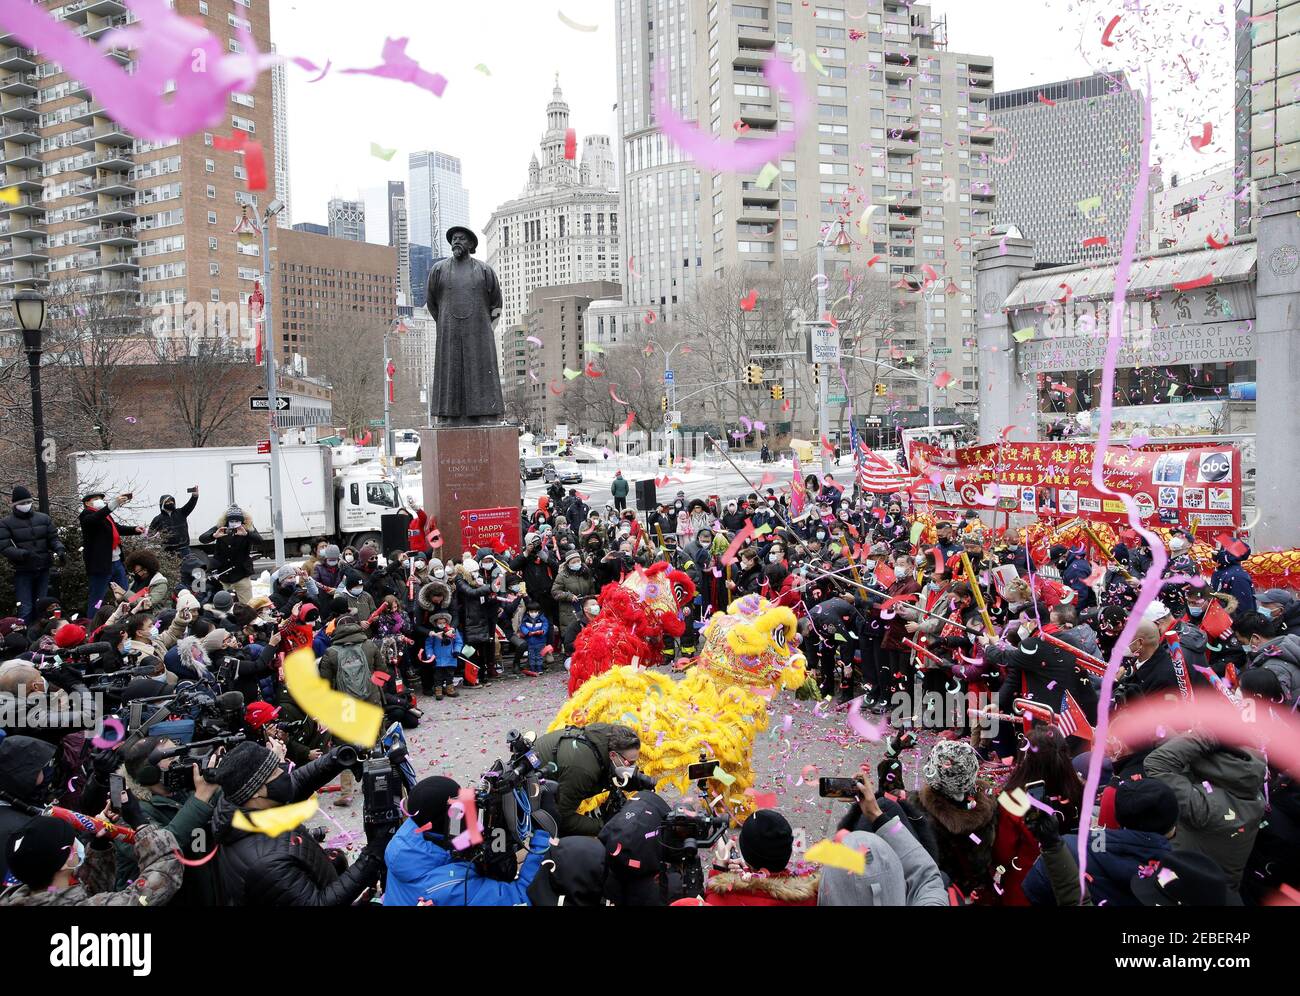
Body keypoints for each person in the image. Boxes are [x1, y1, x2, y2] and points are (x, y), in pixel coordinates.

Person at [210, 742, 389, 905]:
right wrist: (372, 856)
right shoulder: (264, 863)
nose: (283, 774)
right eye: (274, 773)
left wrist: (338, 757)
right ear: (255, 792)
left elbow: (299, 780)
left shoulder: (247, 806)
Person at [383, 776, 552, 906]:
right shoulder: (452, 886)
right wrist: (544, 833)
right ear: (452, 821)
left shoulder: (409, 834)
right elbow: (523, 896)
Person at [1143, 732, 1267, 902]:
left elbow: (1156, 763)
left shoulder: (1206, 807)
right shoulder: (1252, 793)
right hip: (1223, 894)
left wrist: (1208, 734)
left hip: (1191, 894)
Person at [1023, 778, 1179, 907]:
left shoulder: (1066, 851)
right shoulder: (1181, 876)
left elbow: (1033, 890)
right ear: (1171, 825)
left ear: (1118, 818)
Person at [0, 813, 183, 908]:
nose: (78, 844)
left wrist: (99, 849)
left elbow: (81, 896)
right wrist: (142, 826)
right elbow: (157, 884)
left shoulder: (18, 898)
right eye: (73, 843)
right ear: (64, 863)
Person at [531, 723, 643, 837]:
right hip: (530, 789)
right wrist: (604, 826)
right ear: (613, 755)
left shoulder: (605, 738)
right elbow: (563, 817)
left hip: (556, 770)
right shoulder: (584, 770)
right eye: (630, 763)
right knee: (566, 835)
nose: (631, 768)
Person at [703, 809, 819, 906]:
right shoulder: (809, 897)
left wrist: (720, 872)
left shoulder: (722, 898)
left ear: (746, 854)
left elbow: (712, 900)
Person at [0, 485, 65, 623]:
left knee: (42, 605)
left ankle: (40, 634)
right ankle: (25, 637)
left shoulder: (43, 519)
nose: (26, 505)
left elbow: (53, 538)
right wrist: (24, 554)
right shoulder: (6, 523)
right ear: (15, 505)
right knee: (26, 607)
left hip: (43, 567)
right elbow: (5, 547)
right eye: (22, 503)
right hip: (23, 570)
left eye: (28, 502)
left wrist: (59, 549)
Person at [80, 489, 143, 617]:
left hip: (116, 562)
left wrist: (134, 529)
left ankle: (128, 620)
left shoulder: (105, 516)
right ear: (87, 503)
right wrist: (113, 504)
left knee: (125, 594)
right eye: (95, 499)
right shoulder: (87, 516)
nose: (99, 501)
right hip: (101, 566)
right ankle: (92, 624)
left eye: (101, 498)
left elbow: (117, 528)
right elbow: (95, 519)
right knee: (97, 599)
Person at [199, 505, 262, 604]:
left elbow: (259, 540)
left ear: (242, 521)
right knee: (218, 604)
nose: (234, 524)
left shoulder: (248, 528)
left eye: (237, 521)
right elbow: (202, 538)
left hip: (242, 573)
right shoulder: (221, 527)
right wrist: (214, 535)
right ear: (227, 521)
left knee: (248, 605)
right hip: (222, 573)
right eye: (231, 521)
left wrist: (246, 534)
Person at [419, 611, 462, 700]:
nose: (442, 625)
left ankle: (449, 688)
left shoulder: (452, 630)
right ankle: (438, 689)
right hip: (438, 658)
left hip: (450, 657)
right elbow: (428, 645)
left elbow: (458, 641)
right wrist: (430, 656)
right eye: (439, 623)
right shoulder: (434, 633)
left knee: (450, 674)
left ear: (447, 622)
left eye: (444, 623)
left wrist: (457, 651)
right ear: (435, 623)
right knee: (438, 676)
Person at [149, 488, 199, 556]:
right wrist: (156, 541)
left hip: (185, 549)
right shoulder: (158, 519)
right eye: (168, 502)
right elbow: (149, 534)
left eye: (172, 501)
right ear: (162, 504)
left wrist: (194, 497)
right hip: (168, 552)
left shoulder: (181, 512)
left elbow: (190, 505)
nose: (171, 503)